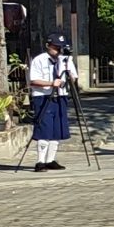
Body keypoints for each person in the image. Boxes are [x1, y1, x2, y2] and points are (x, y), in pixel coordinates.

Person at [26, 34, 74, 171]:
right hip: (43, 96)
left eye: (61, 48)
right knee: (44, 128)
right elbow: (33, 81)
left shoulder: (64, 61)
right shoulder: (39, 60)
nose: (58, 51)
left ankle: (50, 159)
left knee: (57, 129)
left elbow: (73, 78)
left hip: (60, 96)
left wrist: (69, 72)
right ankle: (40, 161)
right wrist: (51, 83)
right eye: (56, 48)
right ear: (48, 46)